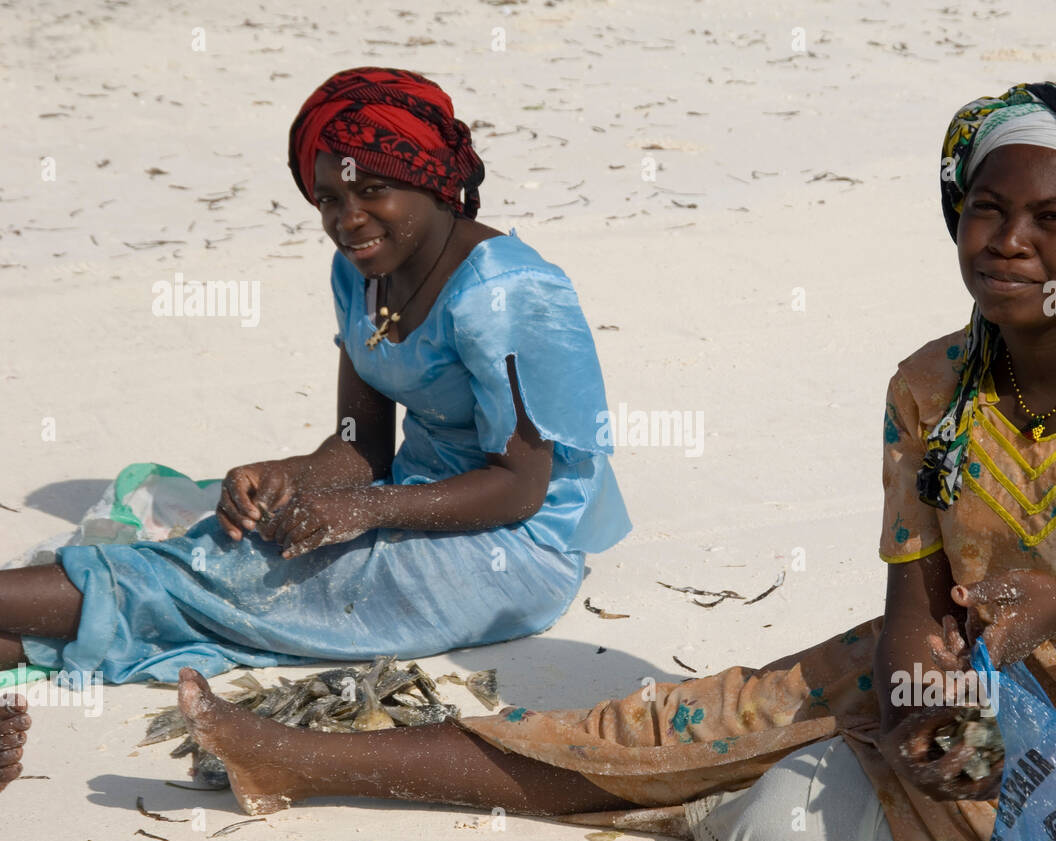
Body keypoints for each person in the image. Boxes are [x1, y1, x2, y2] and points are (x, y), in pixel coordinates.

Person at [10, 82, 1056, 841]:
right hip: (970, 704)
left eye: (1047, 219)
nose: (1004, 240)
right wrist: (918, 688)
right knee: (660, 725)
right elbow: (917, 586)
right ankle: (301, 759)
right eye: (981, 210)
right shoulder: (934, 383)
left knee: (761, 814)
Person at [0, 68, 632, 792]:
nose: (348, 219)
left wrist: (365, 510)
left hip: (516, 551)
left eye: (371, 192)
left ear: (430, 182)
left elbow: (522, 488)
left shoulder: (507, 294)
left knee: (226, 577)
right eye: (328, 198)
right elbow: (360, 444)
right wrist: (288, 475)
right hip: (419, 501)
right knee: (235, 554)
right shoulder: (362, 274)